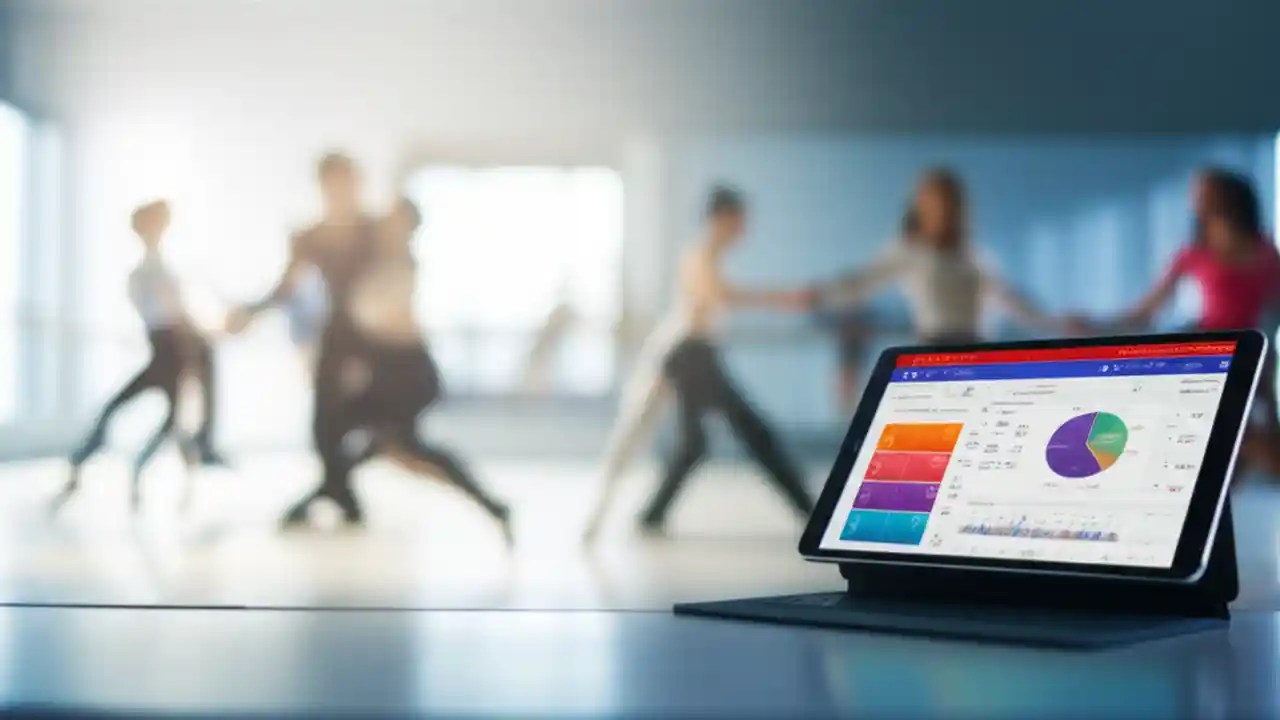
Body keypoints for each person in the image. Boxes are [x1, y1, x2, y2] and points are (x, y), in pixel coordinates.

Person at [584, 185, 815, 540]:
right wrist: (779, 298)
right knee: (754, 433)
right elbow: (719, 296)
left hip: (692, 354)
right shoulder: (698, 255)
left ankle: (650, 517)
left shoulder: (709, 256)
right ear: (723, 218)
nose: (744, 228)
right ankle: (811, 513)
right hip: (689, 354)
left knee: (694, 443)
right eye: (740, 219)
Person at [343, 197, 512, 541]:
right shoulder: (379, 262)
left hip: (406, 374)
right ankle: (329, 494)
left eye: (396, 222)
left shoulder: (403, 266)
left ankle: (492, 504)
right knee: (379, 447)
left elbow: (379, 318)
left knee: (403, 449)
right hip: (388, 372)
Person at [227, 152, 381, 526]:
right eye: (334, 181)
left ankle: (334, 492)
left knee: (377, 426)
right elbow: (287, 286)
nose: (341, 188)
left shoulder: (375, 231)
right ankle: (340, 495)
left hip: (374, 339)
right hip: (335, 336)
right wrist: (250, 311)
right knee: (323, 425)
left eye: (348, 179)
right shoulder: (309, 236)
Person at [53, 200, 227, 513]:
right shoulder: (142, 273)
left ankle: (144, 475)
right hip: (161, 355)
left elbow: (179, 316)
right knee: (118, 412)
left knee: (172, 426)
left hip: (176, 355)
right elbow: (157, 316)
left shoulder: (168, 271)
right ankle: (81, 466)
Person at [1110, 169, 1280, 472]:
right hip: (1208, 355)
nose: (1193, 199)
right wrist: (1098, 326)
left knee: (1259, 444)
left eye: (1202, 191)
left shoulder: (1265, 250)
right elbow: (1147, 310)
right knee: (1218, 446)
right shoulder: (1193, 252)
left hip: (1253, 355)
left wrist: (1265, 353)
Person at [810, 167, 1077, 344]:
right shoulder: (909, 251)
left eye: (951, 202)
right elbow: (859, 286)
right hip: (935, 351)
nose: (946, 211)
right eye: (936, 202)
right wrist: (812, 297)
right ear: (922, 207)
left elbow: (1011, 299)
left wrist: (1053, 323)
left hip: (977, 349)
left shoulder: (973, 256)